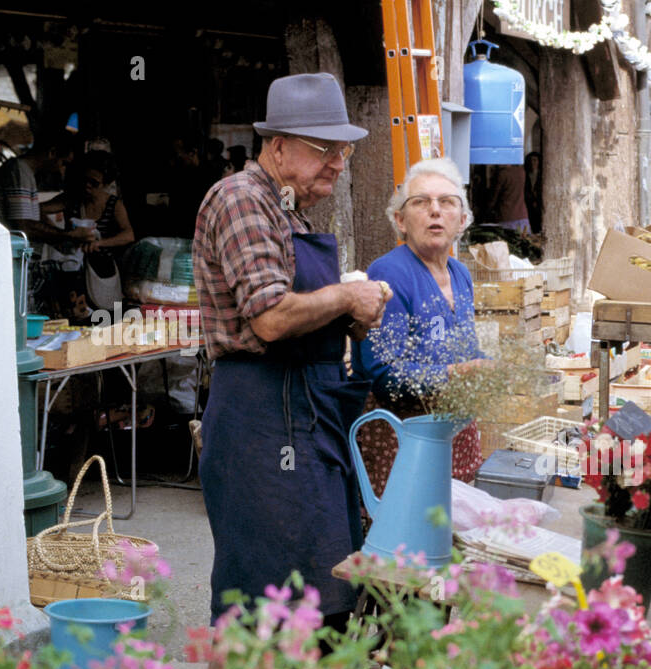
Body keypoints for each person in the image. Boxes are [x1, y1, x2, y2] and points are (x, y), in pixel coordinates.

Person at [193, 72, 389, 627]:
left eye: (343, 151)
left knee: (324, 587)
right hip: (260, 419)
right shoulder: (240, 199)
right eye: (324, 148)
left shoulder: (289, 211)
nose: (338, 162)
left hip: (307, 414)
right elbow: (273, 318)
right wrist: (347, 293)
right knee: (259, 599)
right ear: (277, 146)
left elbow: (306, 319)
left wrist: (353, 317)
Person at [357, 158, 489, 495]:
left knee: (452, 539)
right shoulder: (390, 273)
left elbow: (465, 348)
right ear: (400, 221)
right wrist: (458, 373)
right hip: (403, 438)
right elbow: (384, 374)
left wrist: (489, 366)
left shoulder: (460, 275)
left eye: (447, 202)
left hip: (451, 435)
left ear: (461, 221)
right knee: (407, 542)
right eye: (421, 202)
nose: (435, 211)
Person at [41, 150, 135, 321]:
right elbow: (38, 210)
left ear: (106, 183)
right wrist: (63, 234)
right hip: (72, 271)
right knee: (76, 320)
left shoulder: (113, 204)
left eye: (94, 182)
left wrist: (100, 244)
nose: (87, 186)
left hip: (102, 273)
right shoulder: (72, 199)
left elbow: (128, 235)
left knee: (105, 318)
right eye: (84, 180)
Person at [492, 161, 529, 232]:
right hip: (522, 216)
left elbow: (493, 198)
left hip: (506, 217)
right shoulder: (521, 171)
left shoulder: (502, 174)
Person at [524, 151, 543, 235]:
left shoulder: (542, 175)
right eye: (531, 160)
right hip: (528, 206)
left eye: (535, 160)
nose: (533, 163)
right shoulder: (525, 175)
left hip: (540, 207)